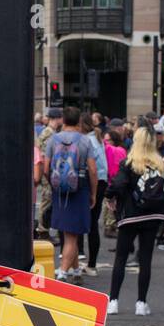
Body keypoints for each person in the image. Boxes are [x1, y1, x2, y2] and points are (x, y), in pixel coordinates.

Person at [105, 124, 164, 315]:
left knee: (121, 258)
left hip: (131, 216)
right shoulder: (160, 165)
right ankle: (141, 303)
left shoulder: (129, 163)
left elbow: (118, 185)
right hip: (153, 216)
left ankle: (114, 301)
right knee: (146, 259)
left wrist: (110, 197)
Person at [42, 107, 97, 282]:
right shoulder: (85, 141)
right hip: (79, 186)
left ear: (63, 120)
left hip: (60, 188)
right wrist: (93, 193)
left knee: (69, 231)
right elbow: (93, 170)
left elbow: (45, 168)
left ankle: (75, 271)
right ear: (78, 121)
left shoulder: (53, 139)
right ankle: (63, 272)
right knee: (73, 233)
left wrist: (54, 183)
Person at [79, 113, 107, 277]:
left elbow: (93, 169)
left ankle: (89, 264)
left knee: (88, 224)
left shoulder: (87, 140)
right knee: (93, 223)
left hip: (93, 181)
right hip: (101, 181)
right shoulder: (96, 138)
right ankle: (91, 264)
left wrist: (93, 193)